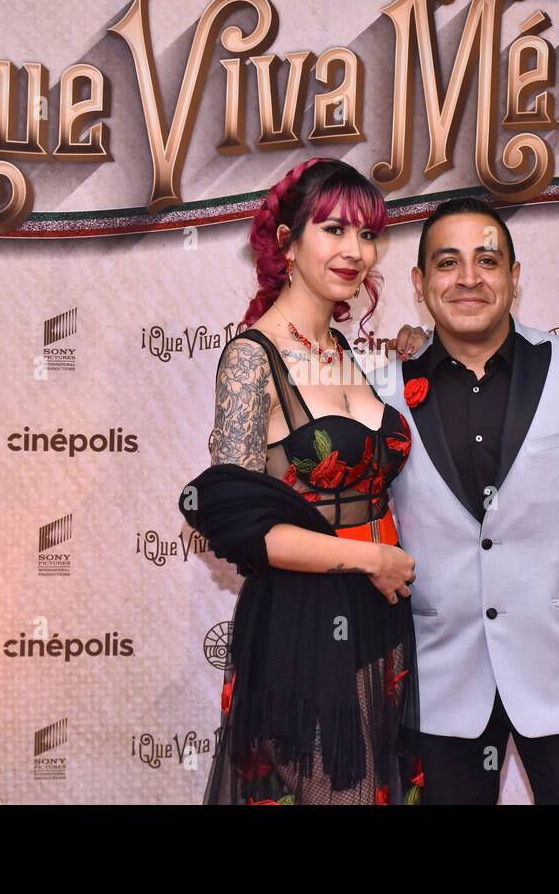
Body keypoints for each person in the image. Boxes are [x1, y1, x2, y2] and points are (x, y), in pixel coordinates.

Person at [375, 196, 559, 804]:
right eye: (447, 263)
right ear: (420, 283)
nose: (468, 279)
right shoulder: (382, 392)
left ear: (513, 277)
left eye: (487, 260)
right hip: (436, 688)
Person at [178, 157, 424, 804]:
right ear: (286, 242)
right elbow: (230, 519)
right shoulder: (251, 359)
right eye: (334, 230)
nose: (355, 251)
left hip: (381, 624)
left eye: (368, 235)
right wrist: (368, 556)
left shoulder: (345, 351)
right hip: (303, 626)